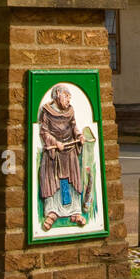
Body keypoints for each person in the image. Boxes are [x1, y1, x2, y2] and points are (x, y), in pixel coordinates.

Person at [38, 85, 86, 230]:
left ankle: (75, 212)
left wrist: (79, 136)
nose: (68, 99)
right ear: (58, 95)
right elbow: (44, 132)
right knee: (54, 181)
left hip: (69, 150)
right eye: (66, 96)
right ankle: (52, 212)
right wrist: (54, 142)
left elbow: (74, 126)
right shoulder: (47, 111)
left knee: (72, 181)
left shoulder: (70, 111)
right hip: (55, 152)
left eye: (69, 97)